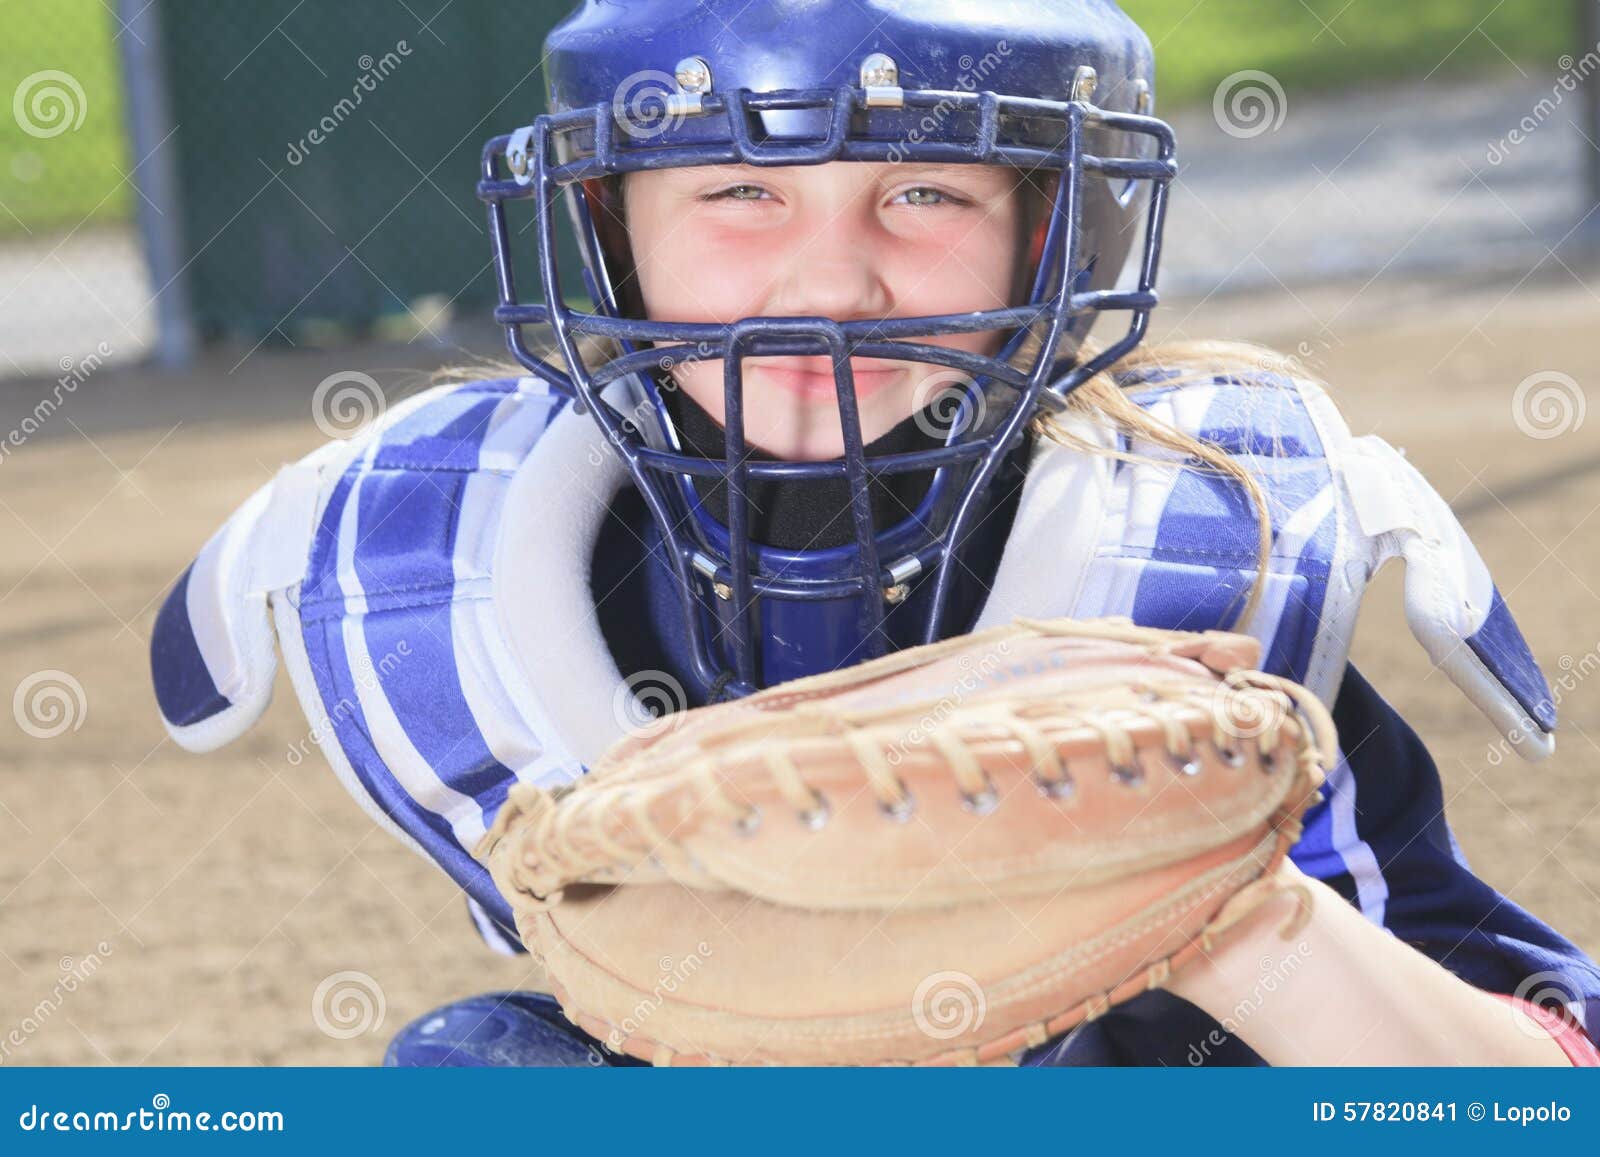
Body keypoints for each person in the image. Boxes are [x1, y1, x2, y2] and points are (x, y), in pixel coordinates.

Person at [152, 0, 1600, 1066]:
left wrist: (1235, 913)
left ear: (1054, 227)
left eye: (924, 192)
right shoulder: (454, 558)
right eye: (738, 190)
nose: (831, 279)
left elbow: (1534, 1093)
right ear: (607, 223)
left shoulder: (1202, 563)